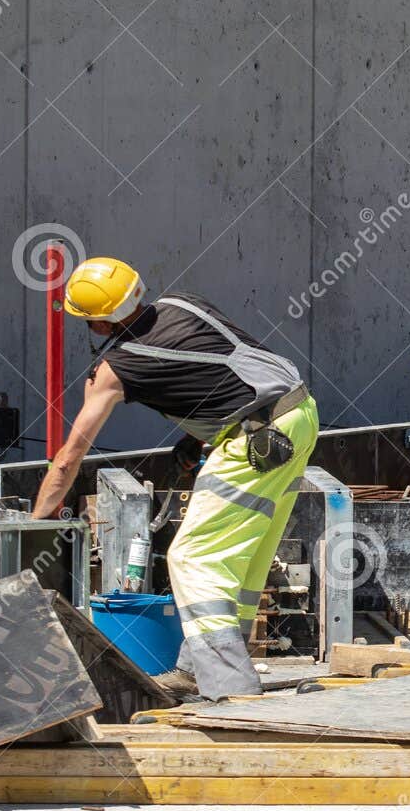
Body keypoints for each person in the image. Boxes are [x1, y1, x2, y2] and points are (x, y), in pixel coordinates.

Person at [31, 257, 317, 702]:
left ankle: (231, 691)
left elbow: (69, 458)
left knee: (192, 558)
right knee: (242, 558)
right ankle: (193, 670)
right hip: (298, 415)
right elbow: (222, 370)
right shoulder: (185, 304)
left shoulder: (115, 370)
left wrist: (38, 521)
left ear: (100, 325)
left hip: (255, 440)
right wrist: (195, 436)